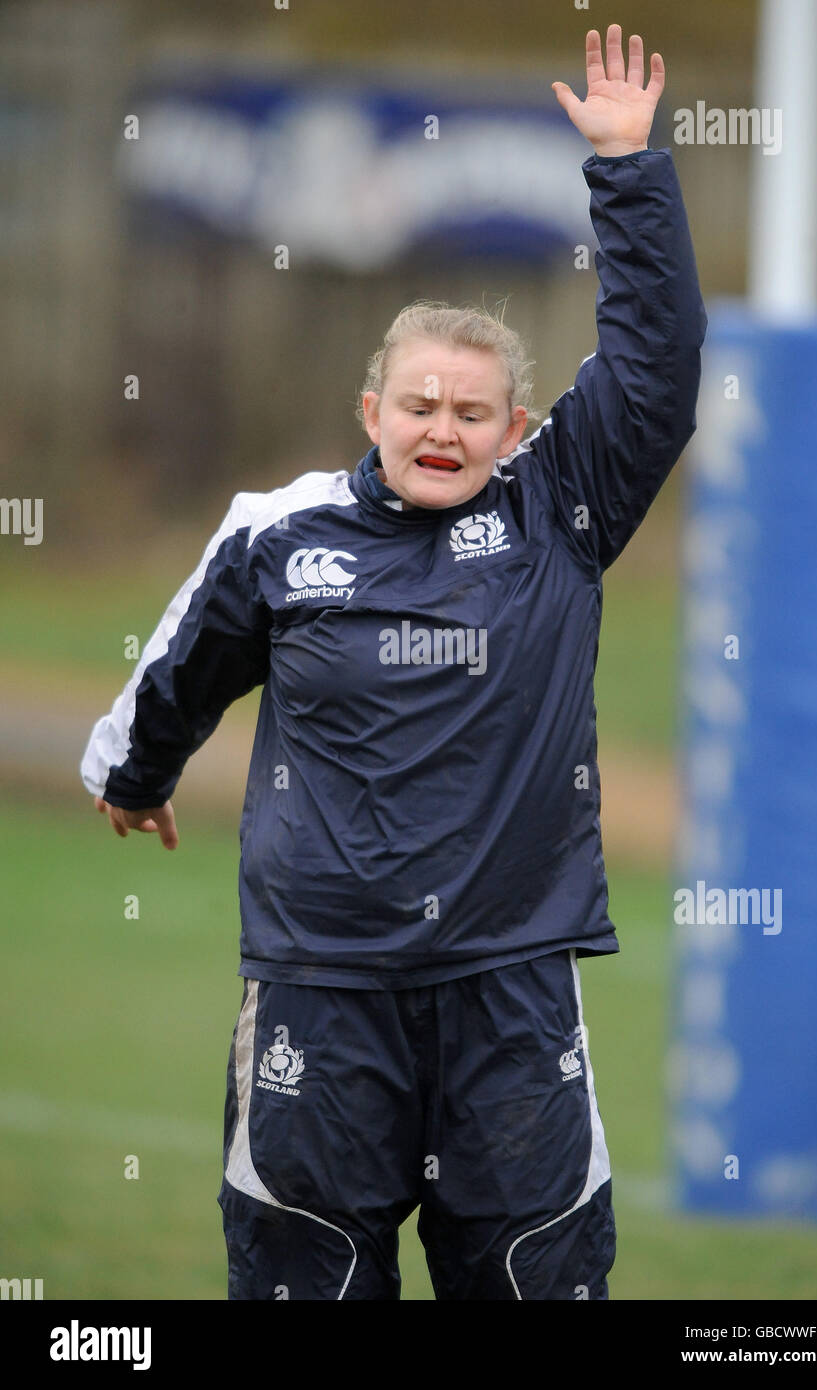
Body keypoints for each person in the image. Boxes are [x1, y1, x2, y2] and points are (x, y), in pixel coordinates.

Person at [81, 23, 706, 1300]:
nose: (441, 426)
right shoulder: (278, 531)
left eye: (471, 410)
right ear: (371, 411)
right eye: (417, 402)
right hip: (322, 994)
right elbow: (181, 670)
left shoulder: (558, 509)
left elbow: (653, 370)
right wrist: (138, 773)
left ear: (511, 429)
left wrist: (627, 170)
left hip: (510, 996)